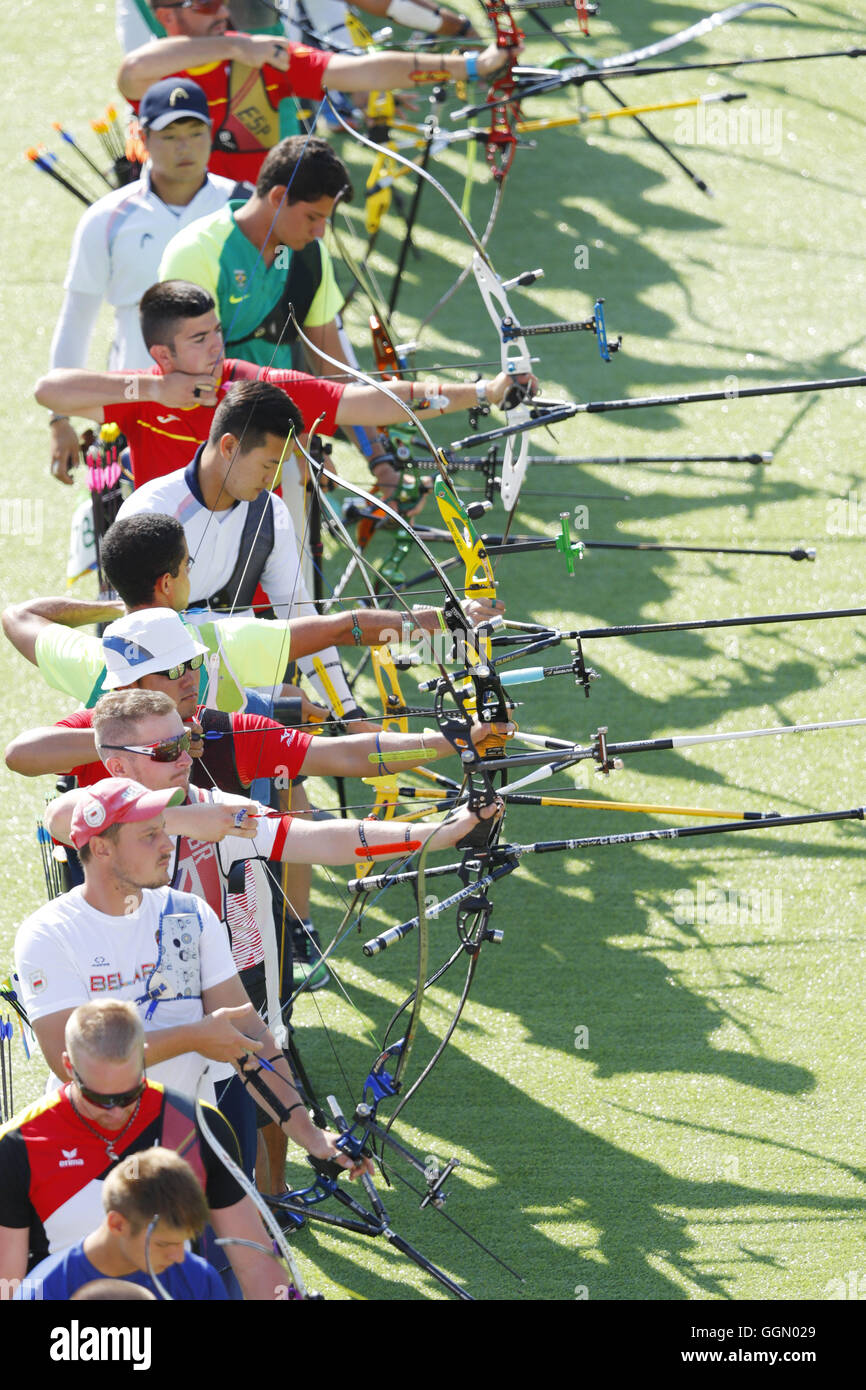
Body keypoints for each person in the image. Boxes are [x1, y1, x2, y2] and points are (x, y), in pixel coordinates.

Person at [36, 278, 526, 491]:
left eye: (218, 332)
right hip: (164, 574)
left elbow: (364, 401)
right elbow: (49, 389)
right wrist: (153, 393)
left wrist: (483, 392)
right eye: (199, 338)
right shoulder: (143, 394)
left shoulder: (254, 387)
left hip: (246, 578)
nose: (216, 348)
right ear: (162, 356)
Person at [0, 511, 504, 712]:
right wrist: (443, 622)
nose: (191, 575)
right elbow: (343, 628)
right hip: (223, 816)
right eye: (185, 566)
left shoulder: (96, 659)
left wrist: (120, 607)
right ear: (168, 582)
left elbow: (19, 613)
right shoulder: (215, 641)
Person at [0, 1000, 293, 1297]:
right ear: (68, 1067)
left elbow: (254, 1261)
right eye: (99, 1098)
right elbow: (6, 1283)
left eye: (129, 1094)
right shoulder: (17, 1145)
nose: (115, 1113)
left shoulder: (198, 1126)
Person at [47, 79, 252, 488]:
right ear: (142, 138)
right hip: (135, 409)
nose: (185, 148)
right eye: (170, 136)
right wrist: (59, 421)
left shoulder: (243, 208)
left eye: (196, 134)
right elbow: (77, 319)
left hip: (229, 408)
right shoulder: (106, 218)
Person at [117, 2, 510, 183]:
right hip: (184, 223)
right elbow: (132, 71)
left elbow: (362, 71)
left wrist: (472, 66)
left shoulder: (261, 55)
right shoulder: (160, 71)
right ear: (166, 14)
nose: (222, 11)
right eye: (207, 4)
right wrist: (236, 47)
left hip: (262, 222)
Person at [18, 1147, 228, 1300]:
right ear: (117, 1224)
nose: (178, 1256)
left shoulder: (199, 1280)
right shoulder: (46, 1290)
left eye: (183, 1241)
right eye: (163, 1244)